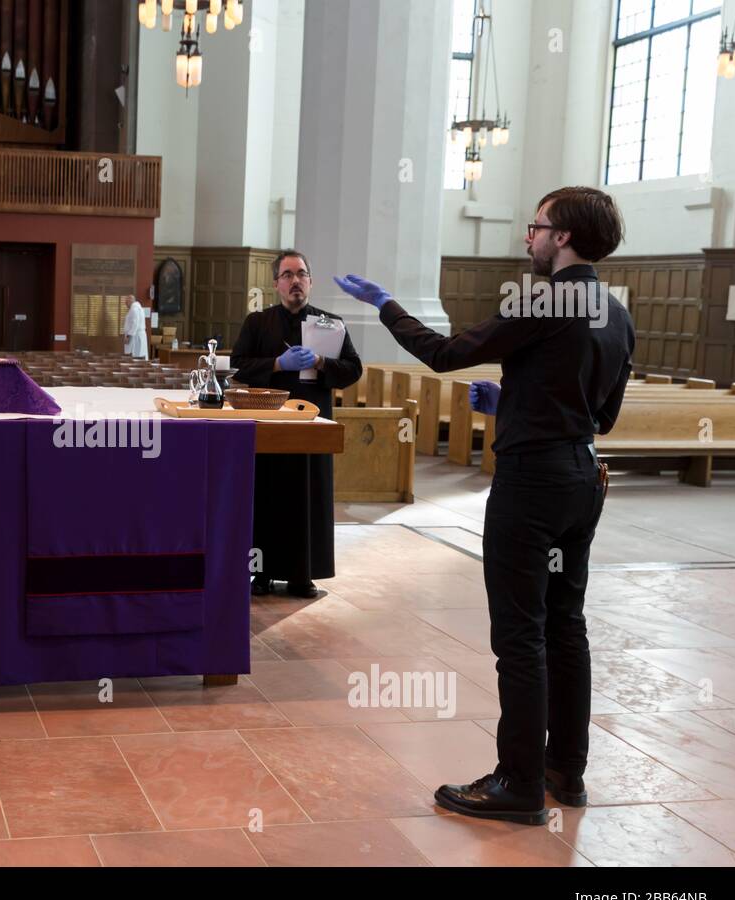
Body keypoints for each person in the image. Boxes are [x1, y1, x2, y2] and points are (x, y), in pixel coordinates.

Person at [334, 187, 634, 825]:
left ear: (565, 236)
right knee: (565, 626)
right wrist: (517, 405)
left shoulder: (546, 299)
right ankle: (565, 771)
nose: (529, 237)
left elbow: (444, 354)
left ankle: (517, 783)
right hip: (581, 480)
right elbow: (599, 417)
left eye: (538, 226)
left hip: (531, 486)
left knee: (521, 635)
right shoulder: (615, 312)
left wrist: (384, 304)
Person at [232, 250, 363, 598]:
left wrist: (321, 362)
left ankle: (303, 575)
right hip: (269, 421)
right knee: (266, 495)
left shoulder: (330, 324)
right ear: (276, 284)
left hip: (312, 421)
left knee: (309, 497)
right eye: (288, 275)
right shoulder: (258, 323)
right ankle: (260, 575)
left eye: (302, 274)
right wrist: (277, 364)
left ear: (310, 281)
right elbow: (239, 365)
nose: (295, 281)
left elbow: (353, 369)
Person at [122, 294, 151, 360]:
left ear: (130, 300)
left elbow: (135, 323)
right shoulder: (138, 308)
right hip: (138, 335)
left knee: (135, 355)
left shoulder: (134, 309)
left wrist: (128, 336)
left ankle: (135, 368)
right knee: (139, 354)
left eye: (126, 302)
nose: (126, 304)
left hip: (135, 337)